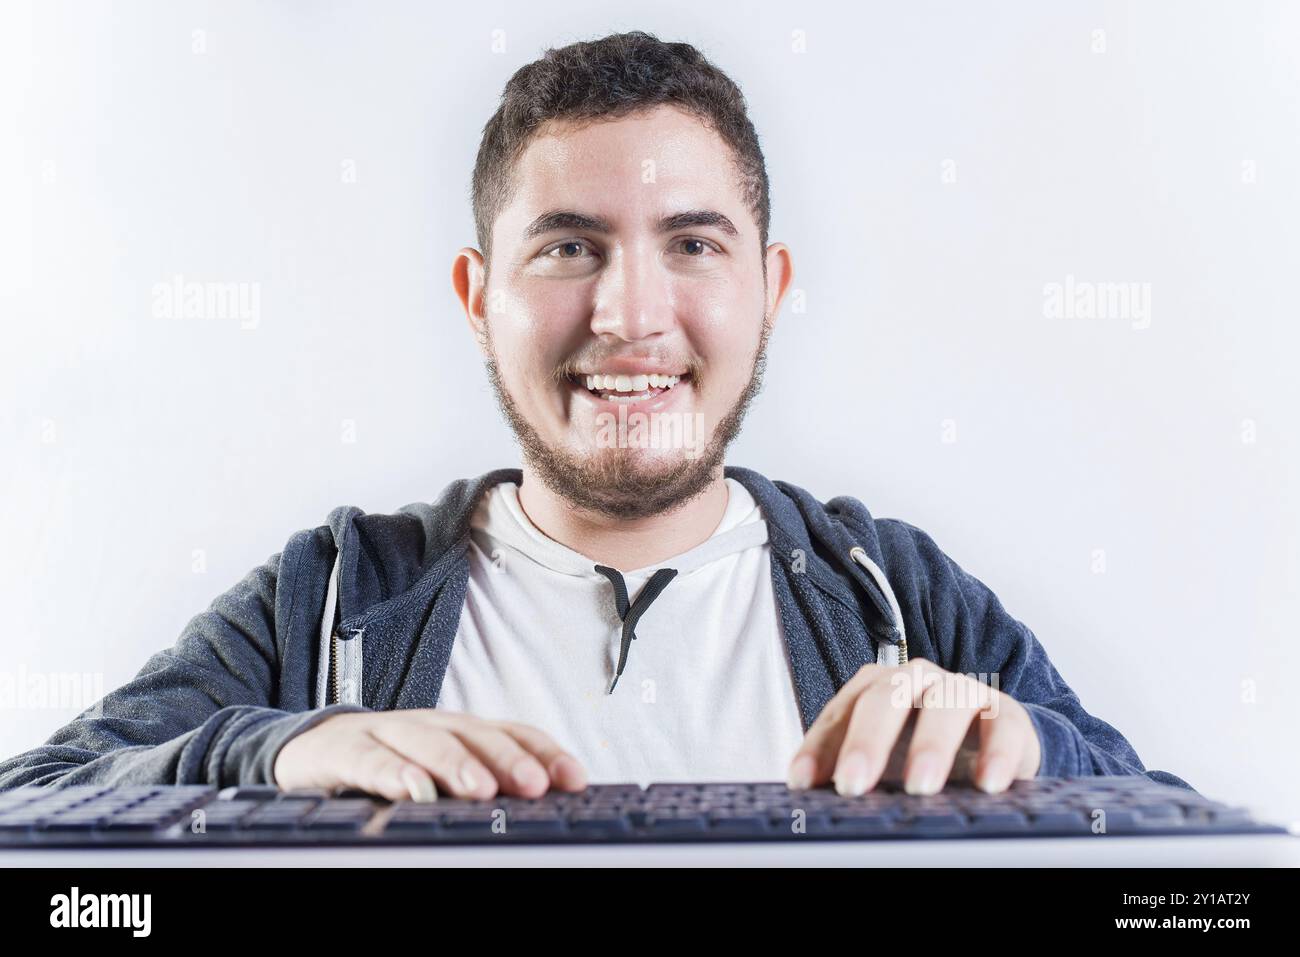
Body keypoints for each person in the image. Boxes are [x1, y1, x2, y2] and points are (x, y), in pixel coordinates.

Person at [0, 31, 1191, 802]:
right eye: (570, 246)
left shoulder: (890, 591)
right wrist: (277, 751)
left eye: (690, 245)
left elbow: (1179, 846)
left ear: (767, 290)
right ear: (480, 299)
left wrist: (1038, 754)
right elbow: (39, 794)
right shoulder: (338, 594)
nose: (629, 314)